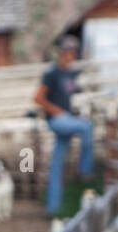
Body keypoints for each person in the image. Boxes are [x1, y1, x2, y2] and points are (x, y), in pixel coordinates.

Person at [34, 34, 96, 218]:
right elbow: (38, 98)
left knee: (57, 166)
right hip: (57, 120)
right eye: (68, 52)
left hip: (67, 118)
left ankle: (52, 209)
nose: (70, 55)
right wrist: (56, 111)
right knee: (86, 127)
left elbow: (70, 94)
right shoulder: (52, 74)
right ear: (62, 53)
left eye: (73, 52)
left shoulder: (70, 74)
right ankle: (85, 171)